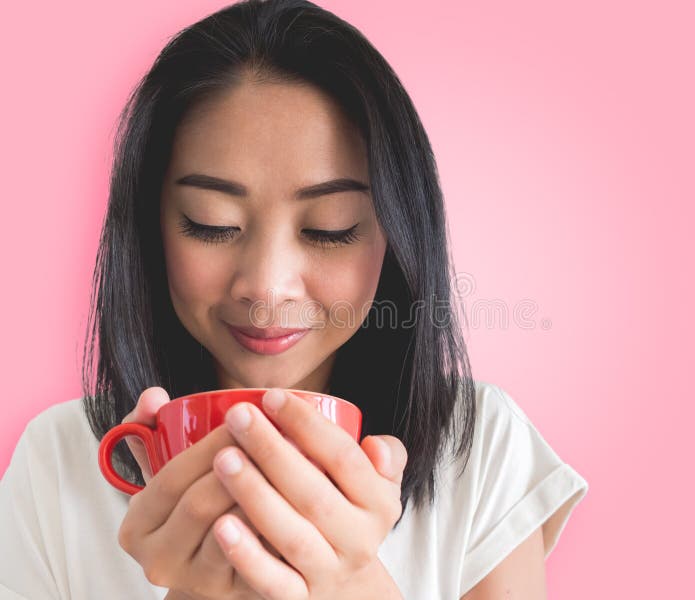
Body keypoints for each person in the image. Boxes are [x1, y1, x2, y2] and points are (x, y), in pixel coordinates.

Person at [0, 0, 589, 598]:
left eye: (330, 229)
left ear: (397, 235)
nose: (266, 286)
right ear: (150, 228)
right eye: (211, 223)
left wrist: (354, 584)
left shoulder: (479, 446)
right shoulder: (58, 460)